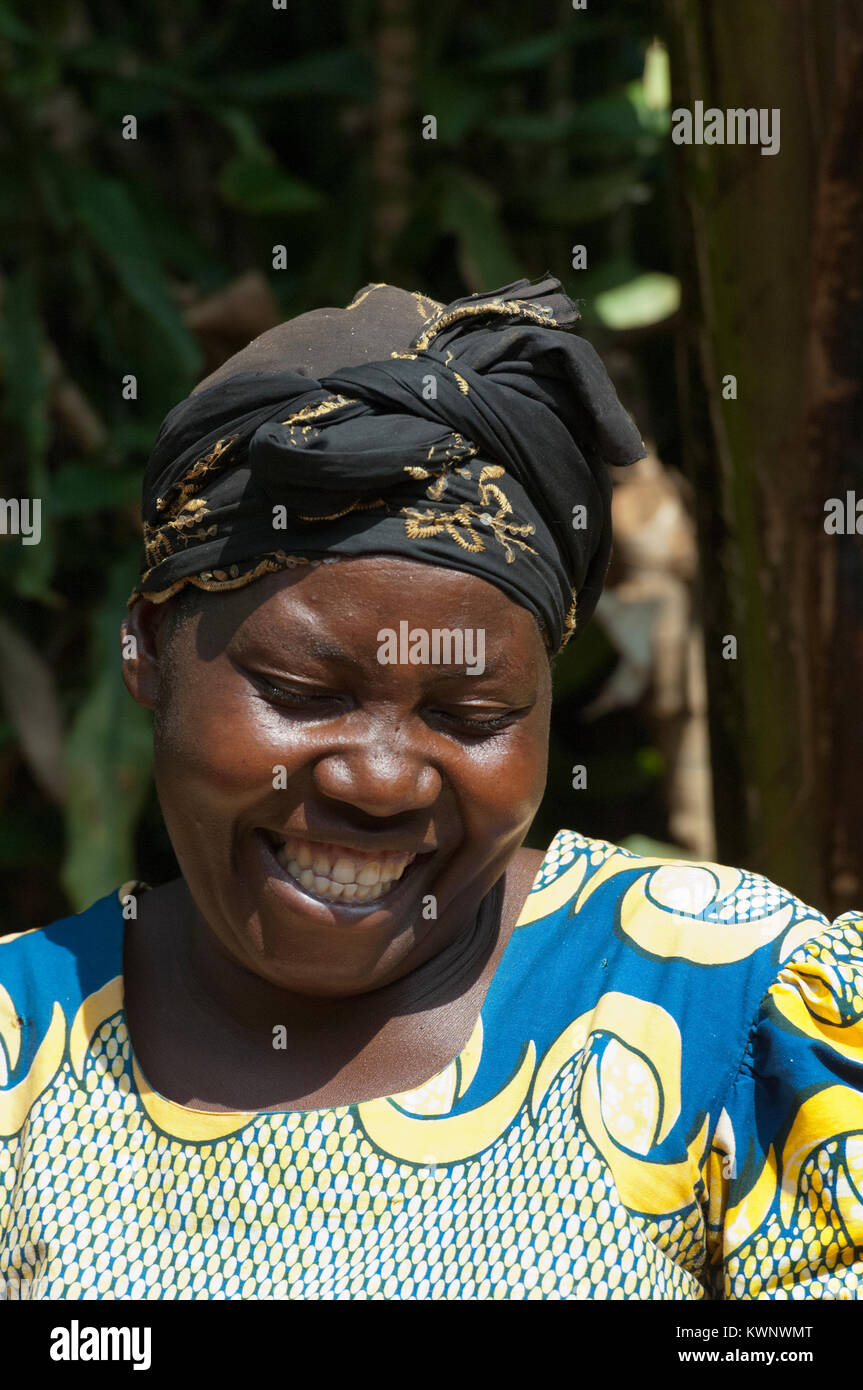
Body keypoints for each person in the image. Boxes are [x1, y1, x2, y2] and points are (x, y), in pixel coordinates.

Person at [1, 277, 862, 1301]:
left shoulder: (723, 1003)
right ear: (145, 647)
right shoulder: (20, 1059)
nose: (380, 780)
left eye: (470, 717)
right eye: (300, 693)